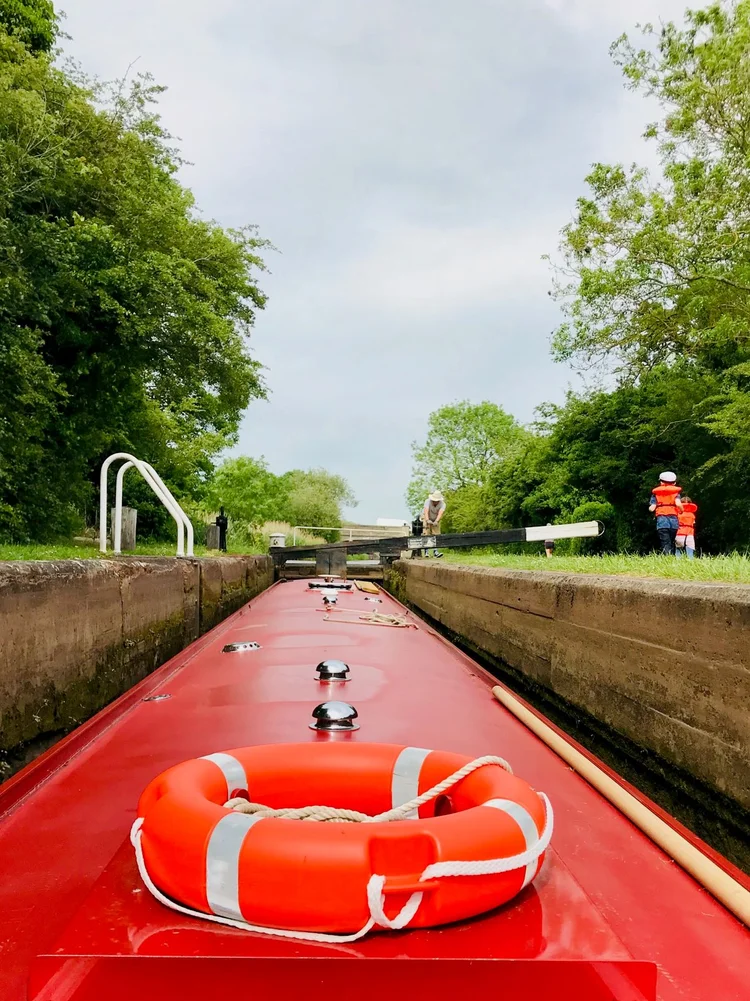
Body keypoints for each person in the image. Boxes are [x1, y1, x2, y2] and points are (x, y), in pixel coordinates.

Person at [649, 472, 684, 556]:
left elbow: (652, 508)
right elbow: (678, 504)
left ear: (661, 482)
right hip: (674, 520)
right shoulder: (676, 493)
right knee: (672, 540)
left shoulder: (656, 494)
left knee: (665, 540)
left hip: (662, 519)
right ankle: (673, 557)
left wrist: (653, 508)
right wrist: (681, 511)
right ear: (674, 483)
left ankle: (667, 557)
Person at [422, 491, 446, 558]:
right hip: (427, 517)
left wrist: (436, 521)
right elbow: (426, 511)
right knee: (426, 533)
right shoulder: (427, 501)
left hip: (435, 518)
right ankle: (426, 551)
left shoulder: (443, 504)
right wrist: (427, 520)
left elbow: (440, 513)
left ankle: (435, 551)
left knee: (436, 534)